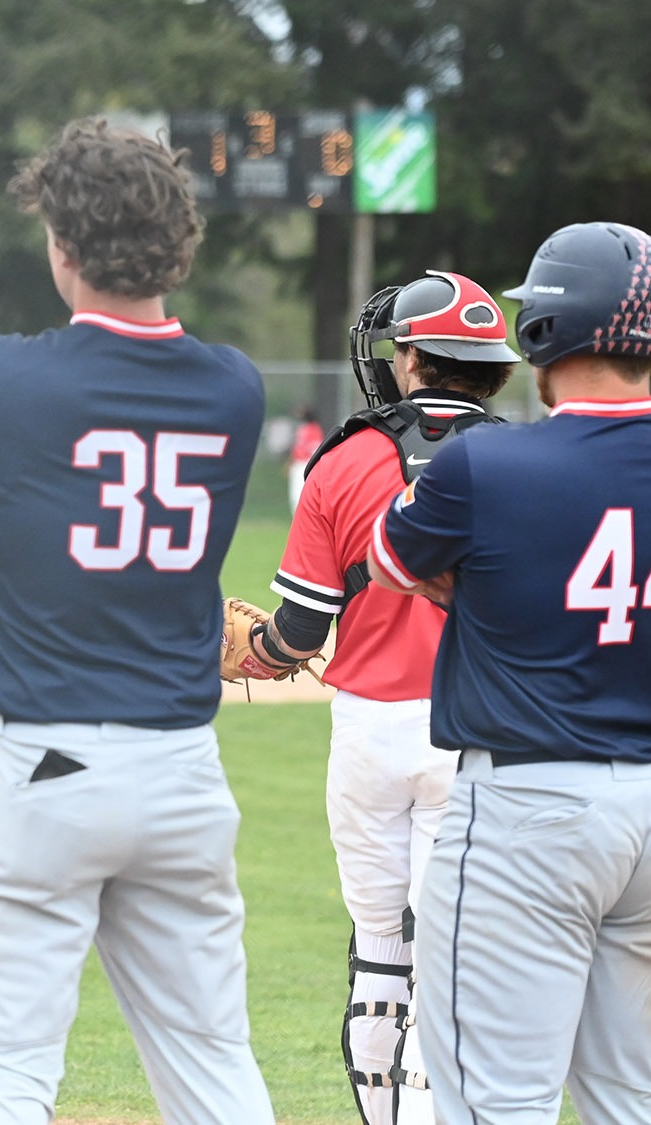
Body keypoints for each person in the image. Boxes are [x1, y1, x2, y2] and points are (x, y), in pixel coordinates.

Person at [0, 117, 275, 1124]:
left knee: (6, 1072)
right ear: (176, 246)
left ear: (61, 247)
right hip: (183, 770)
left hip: (42, 765)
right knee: (212, 1063)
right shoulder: (233, 387)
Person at [369, 221, 651, 1125]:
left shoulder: (484, 461)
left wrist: (513, 589)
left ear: (542, 336)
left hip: (528, 811)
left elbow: (392, 562)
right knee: (629, 1100)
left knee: (498, 1102)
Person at [223, 270, 517, 1125]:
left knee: (382, 953)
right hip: (471, 731)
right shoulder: (521, 459)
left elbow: (301, 632)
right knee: (448, 961)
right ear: (494, 367)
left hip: (366, 735)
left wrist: (265, 655)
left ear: (415, 356)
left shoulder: (346, 458)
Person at [288, 406, 325, 510]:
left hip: (306, 463)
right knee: (295, 493)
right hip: (298, 463)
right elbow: (296, 449)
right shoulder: (302, 429)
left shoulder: (314, 429)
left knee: (302, 492)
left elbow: (315, 449)